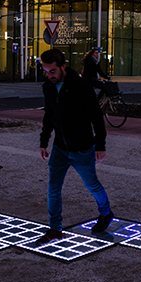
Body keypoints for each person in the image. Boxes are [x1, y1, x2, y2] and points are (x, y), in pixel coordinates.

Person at [38, 48, 113, 243]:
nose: (49, 75)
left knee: (92, 184)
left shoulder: (81, 86)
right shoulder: (48, 86)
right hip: (60, 147)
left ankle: (106, 213)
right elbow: (49, 114)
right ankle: (55, 228)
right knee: (53, 189)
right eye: (46, 71)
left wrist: (100, 144)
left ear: (63, 67)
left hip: (82, 147)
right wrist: (44, 141)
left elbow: (96, 117)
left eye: (52, 71)